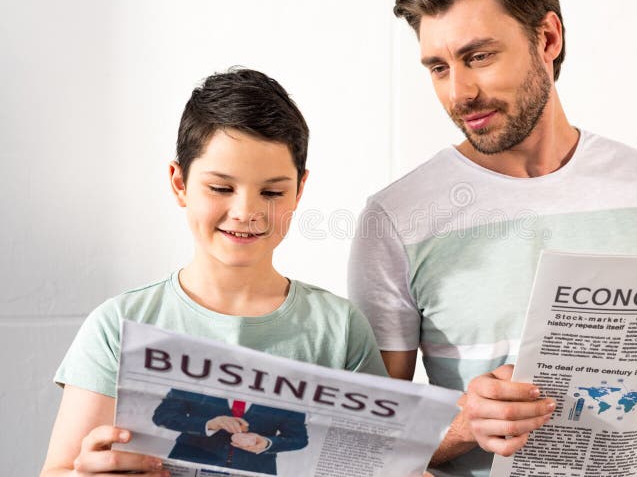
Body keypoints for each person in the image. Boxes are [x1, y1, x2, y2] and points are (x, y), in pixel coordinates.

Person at [347, 0, 637, 475]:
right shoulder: (396, 218)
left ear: (547, 38)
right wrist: (464, 425)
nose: (459, 92)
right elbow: (362, 446)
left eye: (479, 57)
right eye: (438, 67)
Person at [40, 68, 387, 477]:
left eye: (272, 192)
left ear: (299, 190)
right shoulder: (118, 326)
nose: (246, 212)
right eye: (221, 188)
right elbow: (57, 470)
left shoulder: (340, 330)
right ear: (179, 183)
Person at [152, 389, 307, 475]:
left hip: (254, 468)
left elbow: (298, 438)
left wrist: (267, 443)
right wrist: (209, 424)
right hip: (190, 463)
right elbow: (163, 416)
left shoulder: (290, 393)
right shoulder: (194, 377)